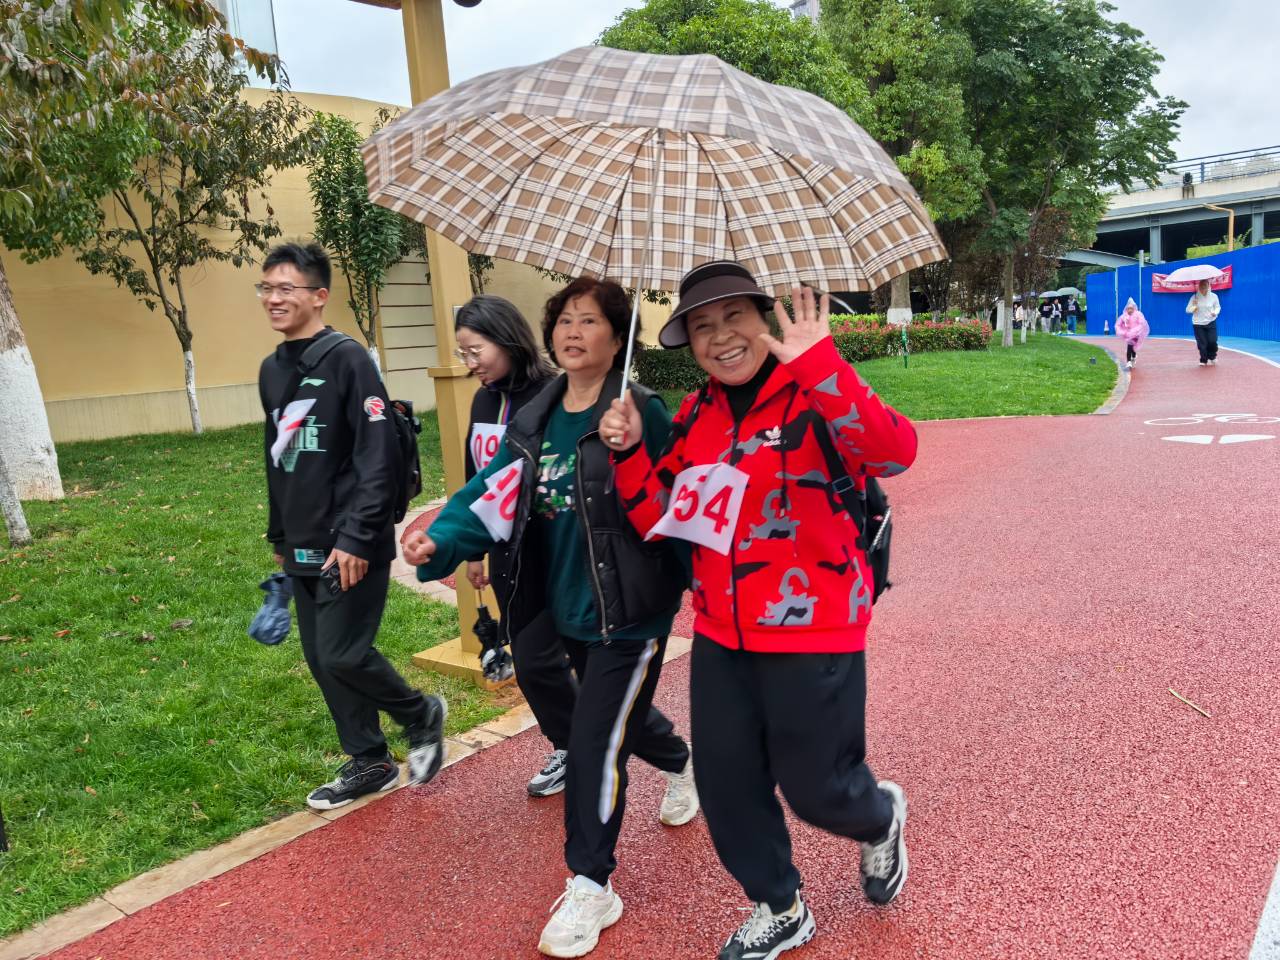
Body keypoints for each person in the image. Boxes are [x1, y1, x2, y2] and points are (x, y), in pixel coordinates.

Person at [601, 262, 917, 960]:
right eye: (703, 328)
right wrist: (626, 455)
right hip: (719, 631)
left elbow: (896, 452)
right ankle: (780, 904)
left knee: (817, 788)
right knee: (725, 782)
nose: (720, 339)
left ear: (763, 316)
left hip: (817, 626)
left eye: (732, 318)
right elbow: (660, 517)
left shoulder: (812, 391)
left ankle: (877, 817)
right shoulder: (694, 417)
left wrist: (825, 365)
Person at [402, 276, 698, 958]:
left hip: (629, 617)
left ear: (617, 338)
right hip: (558, 605)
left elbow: (677, 504)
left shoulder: (644, 410)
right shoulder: (536, 412)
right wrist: (439, 539)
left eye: (589, 321)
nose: (571, 332)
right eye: (563, 319)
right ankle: (683, 759)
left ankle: (592, 884)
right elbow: (492, 491)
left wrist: (632, 454)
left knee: (594, 741)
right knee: (607, 717)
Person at [257, 242, 446, 810]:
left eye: (286, 288)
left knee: (342, 652)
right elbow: (278, 456)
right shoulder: (272, 369)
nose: (273, 298)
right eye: (266, 288)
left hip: (350, 541)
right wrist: (279, 536)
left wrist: (360, 536)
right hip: (303, 539)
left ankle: (420, 713)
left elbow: (375, 456)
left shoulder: (349, 360)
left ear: (319, 295)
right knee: (321, 659)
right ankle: (368, 759)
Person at [452, 295, 572, 798]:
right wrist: (473, 549)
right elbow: (476, 474)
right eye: (462, 353)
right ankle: (573, 745)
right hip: (506, 553)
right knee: (530, 658)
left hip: (556, 549)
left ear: (506, 339)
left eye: (476, 350)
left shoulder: (554, 392)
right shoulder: (483, 400)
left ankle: (646, 746)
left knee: (547, 658)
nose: (470, 363)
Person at [1187, 278, 1221, 365]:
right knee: (1202, 343)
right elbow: (1187, 310)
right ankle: (1203, 360)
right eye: (1201, 287)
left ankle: (1212, 356)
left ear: (1208, 286)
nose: (1203, 289)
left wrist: (1215, 312)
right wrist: (1194, 307)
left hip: (1211, 321)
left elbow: (1218, 307)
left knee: (1212, 341)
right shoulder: (1194, 297)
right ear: (1199, 287)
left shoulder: (1214, 296)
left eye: (1204, 287)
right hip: (1198, 323)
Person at [1115, 297, 1149, 370]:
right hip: (1128, 334)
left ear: (1134, 308)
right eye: (1128, 309)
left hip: (1136, 335)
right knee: (1130, 347)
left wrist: (1136, 330)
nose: (1129, 310)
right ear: (1126, 309)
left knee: (1131, 347)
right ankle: (1131, 359)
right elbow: (1118, 324)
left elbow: (1142, 323)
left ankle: (1131, 359)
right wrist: (1122, 331)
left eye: (1131, 308)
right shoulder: (1124, 316)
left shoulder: (1138, 314)